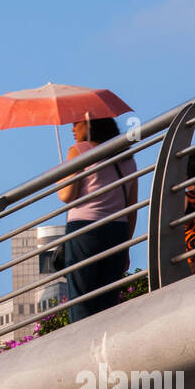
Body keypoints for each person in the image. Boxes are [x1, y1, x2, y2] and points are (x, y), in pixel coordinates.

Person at [57, 115, 139, 323]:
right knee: (108, 303)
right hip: (117, 233)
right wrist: (126, 246)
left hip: (85, 230)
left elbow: (67, 195)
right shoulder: (127, 158)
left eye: (77, 122)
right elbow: (131, 208)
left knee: (82, 299)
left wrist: (62, 175)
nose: (72, 128)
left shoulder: (79, 151)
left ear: (90, 123)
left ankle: (81, 350)